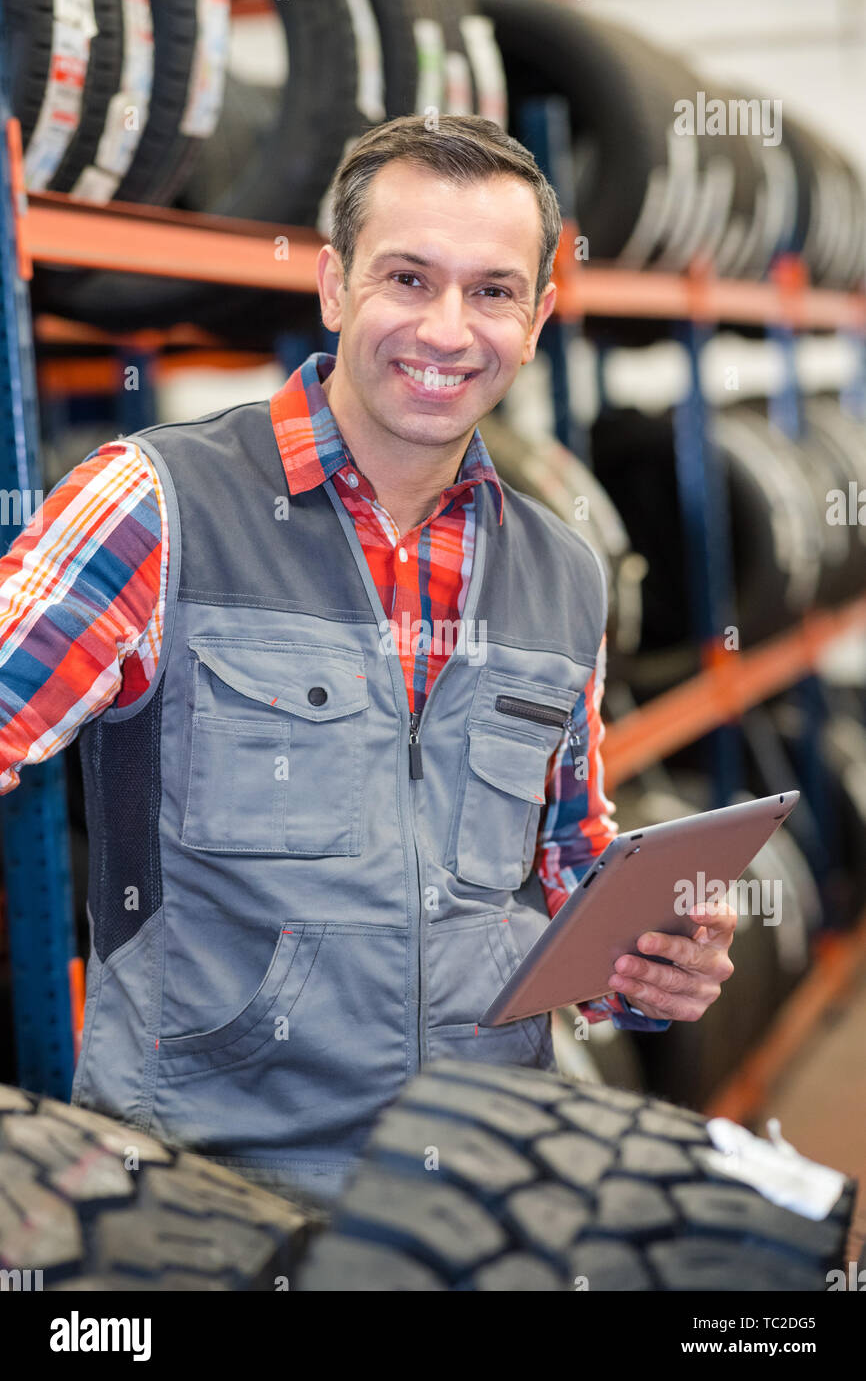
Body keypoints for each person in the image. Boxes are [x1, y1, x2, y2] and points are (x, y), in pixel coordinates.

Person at [0, 115, 736, 1203]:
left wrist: (648, 962)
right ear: (335, 287)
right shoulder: (156, 505)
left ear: (536, 319)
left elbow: (565, 864)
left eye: (492, 291)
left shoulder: (563, 573)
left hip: (483, 1183)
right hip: (216, 1194)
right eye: (408, 278)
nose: (447, 329)